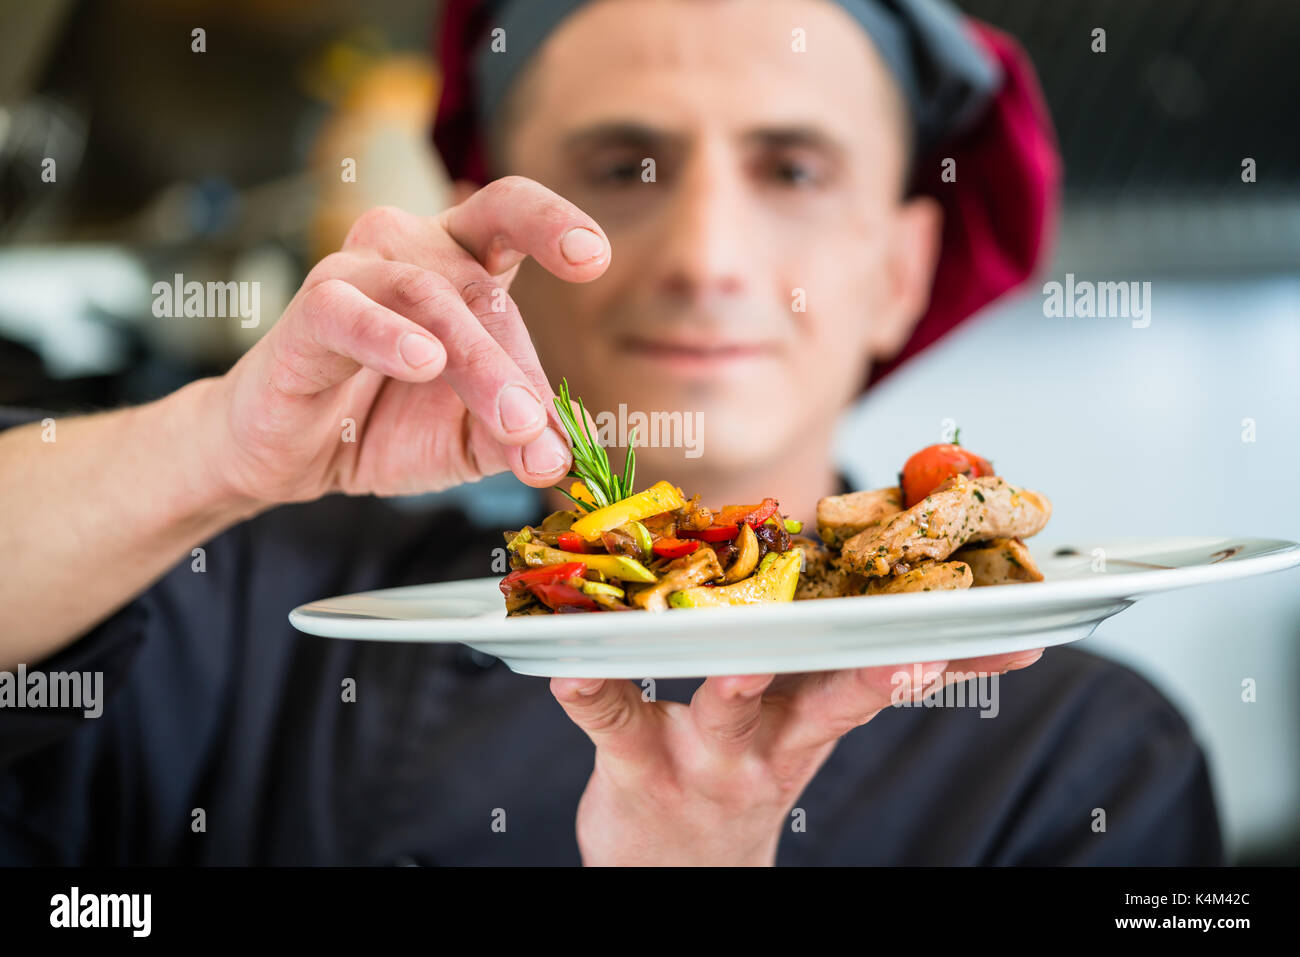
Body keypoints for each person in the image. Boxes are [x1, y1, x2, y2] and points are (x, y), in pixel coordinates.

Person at [0, 0, 1222, 865]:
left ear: (903, 269)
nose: (704, 258)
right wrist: (219, 448)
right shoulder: (260, 613)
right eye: (625, 165)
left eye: (792, 170)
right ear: (495, 244)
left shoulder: (1085, 757)